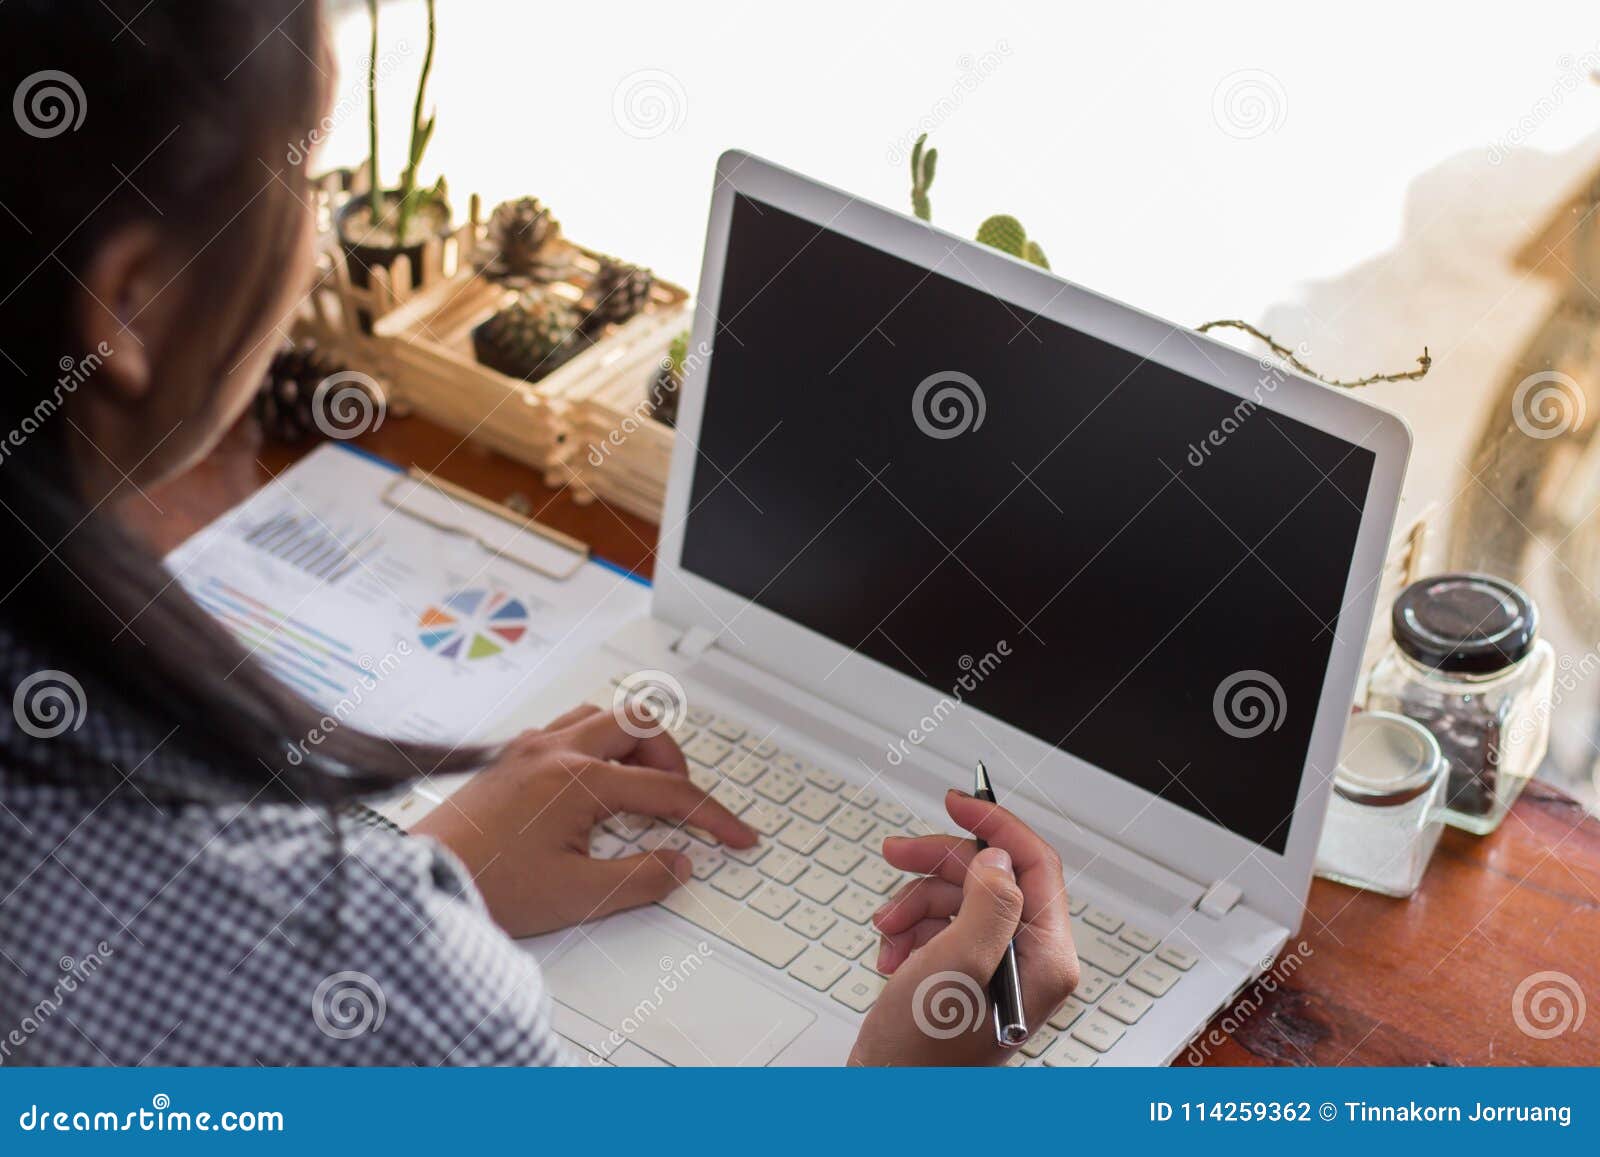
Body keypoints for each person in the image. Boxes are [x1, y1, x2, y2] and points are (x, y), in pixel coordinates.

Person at [0, 0, 1078, 1066]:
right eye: (308, 179)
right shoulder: (368, 981)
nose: (319, 231)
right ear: (134, 305)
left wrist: (444, 862)